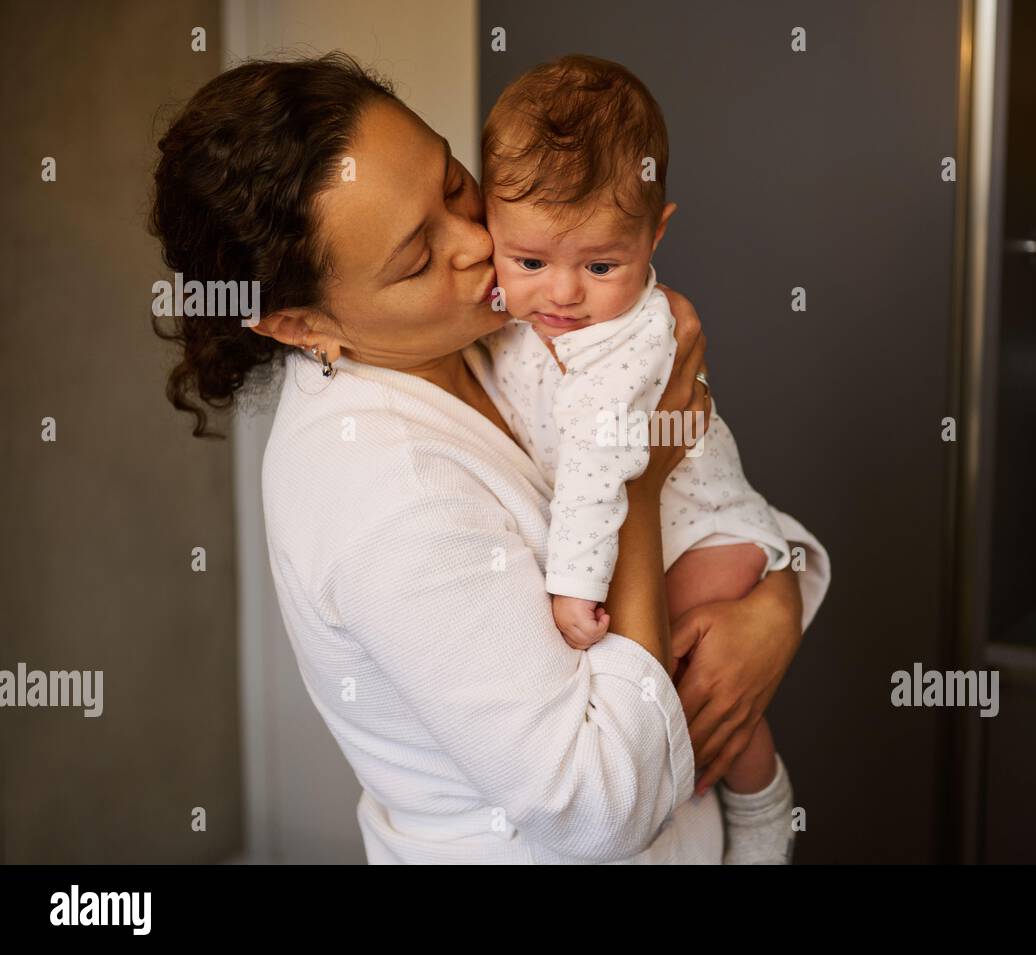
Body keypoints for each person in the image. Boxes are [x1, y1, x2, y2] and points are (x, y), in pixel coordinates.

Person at [150, 52, 830, 864]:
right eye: (416, 259)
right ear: (302, 326)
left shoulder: (506, 330)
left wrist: (776, 603)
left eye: (450, 183)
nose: (480, 242)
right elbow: (595, 810)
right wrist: (638, 479)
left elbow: (712, 498)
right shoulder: (379, 496)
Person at [481, 54, 803, 863]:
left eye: (600, 265)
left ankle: (763, 805)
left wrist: (572, 588)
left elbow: (597, 463)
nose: (560, 295)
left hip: (707, 531)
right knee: (677, 678)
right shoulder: (511, 304)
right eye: (529, 263)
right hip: (659, 519)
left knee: (688, 681)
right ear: (492, 229)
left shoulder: (635, 337)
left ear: (654, 235)